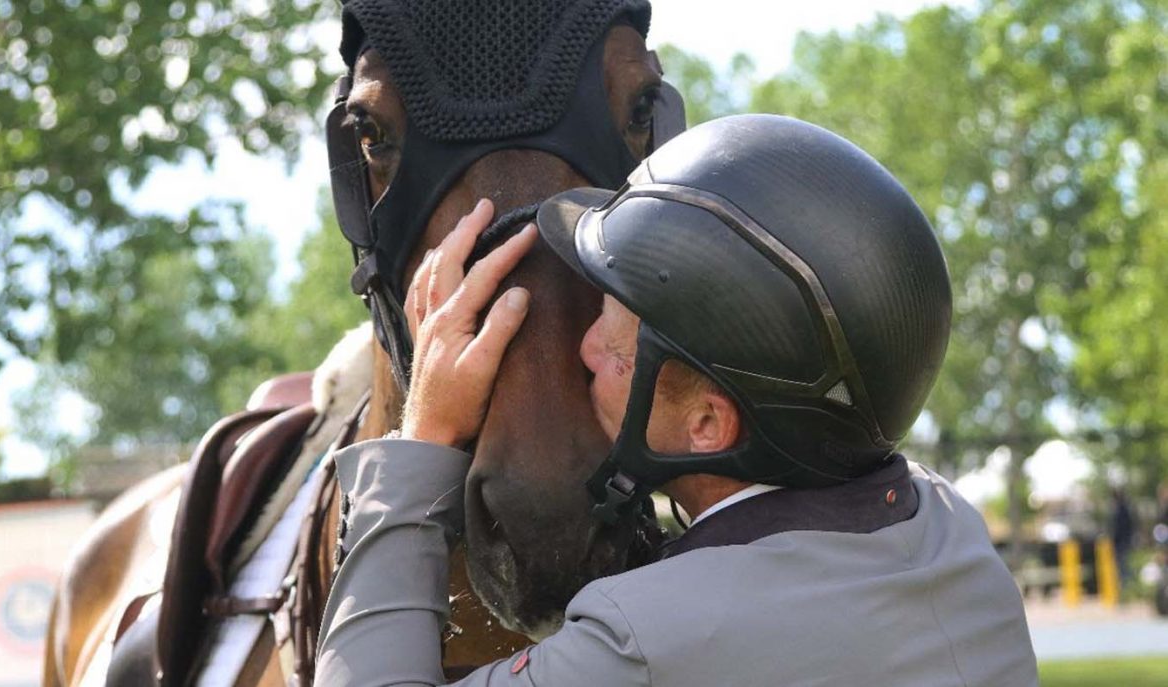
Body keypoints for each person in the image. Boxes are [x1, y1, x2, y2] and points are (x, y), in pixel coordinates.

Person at [315, 114, 1039, 686]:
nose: (586, 350)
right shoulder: (955, 538)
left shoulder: (646, 638)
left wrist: (426, 437)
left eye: (618, 344)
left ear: (705, 422)